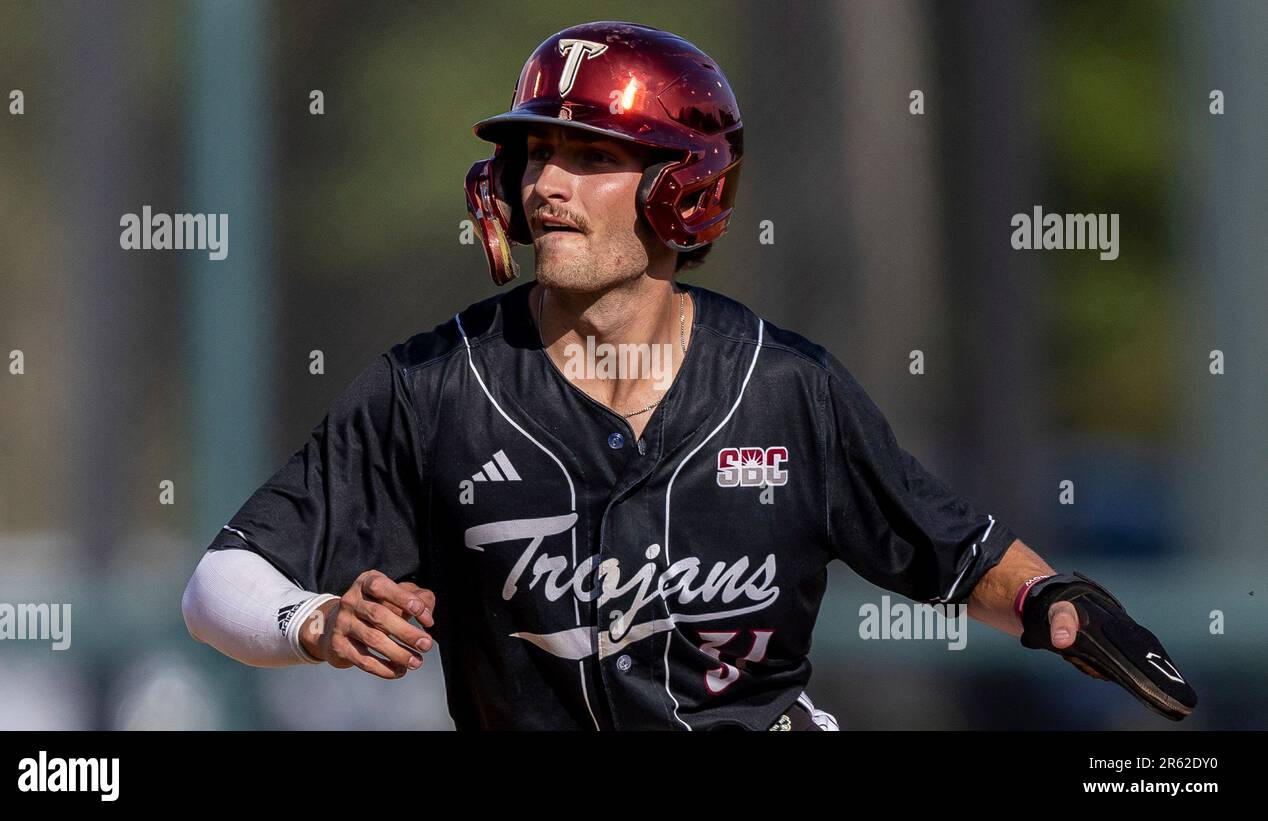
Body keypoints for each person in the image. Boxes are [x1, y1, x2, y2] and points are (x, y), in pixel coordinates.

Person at [182, 20, 1196, 730]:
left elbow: (953, 553)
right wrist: (311, 619)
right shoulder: (435, 385)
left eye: (590, 156)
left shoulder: (784, 386)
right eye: (535, 153)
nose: (543, 185)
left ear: (683, 191)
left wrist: (1050, 594)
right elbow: (217, 583)